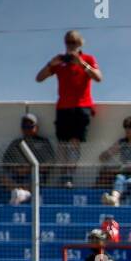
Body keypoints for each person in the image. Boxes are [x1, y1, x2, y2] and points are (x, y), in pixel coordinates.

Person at [35, 30, 102, 188]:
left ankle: (69, 175)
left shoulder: (87, 58)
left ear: (80, 44)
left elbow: (98, 77)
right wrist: (51, 64)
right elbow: (39, 78)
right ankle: (63, 174)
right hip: (63, 106)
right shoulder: (60, 61)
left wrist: (82, 64)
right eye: (68, 42)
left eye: (73, 42)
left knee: (74, 142)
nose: (70, 45)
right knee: (63, 143)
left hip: (81, 106)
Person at [0, 113, 55, 199]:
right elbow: (6, 162)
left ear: (36, 127)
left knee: (36, 179)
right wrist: (18, 169)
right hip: (17, 175)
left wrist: (30, 169)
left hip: (36, 174)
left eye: (30, 127)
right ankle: (21, 192)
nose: (27, 129)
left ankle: (20, 193)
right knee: (3, 178)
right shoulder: (16, 143)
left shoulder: (43, 142)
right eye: (25, 127)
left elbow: (50, 163)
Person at [100, 114, 131, 206]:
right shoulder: (122, 142)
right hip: (124, 173)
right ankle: (114, 199)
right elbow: (103, 156)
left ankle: (115, 200)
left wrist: (122, 167)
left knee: (128, 182)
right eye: (126, 127)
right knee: (119, 178)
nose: (127, 130)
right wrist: (107, 155)